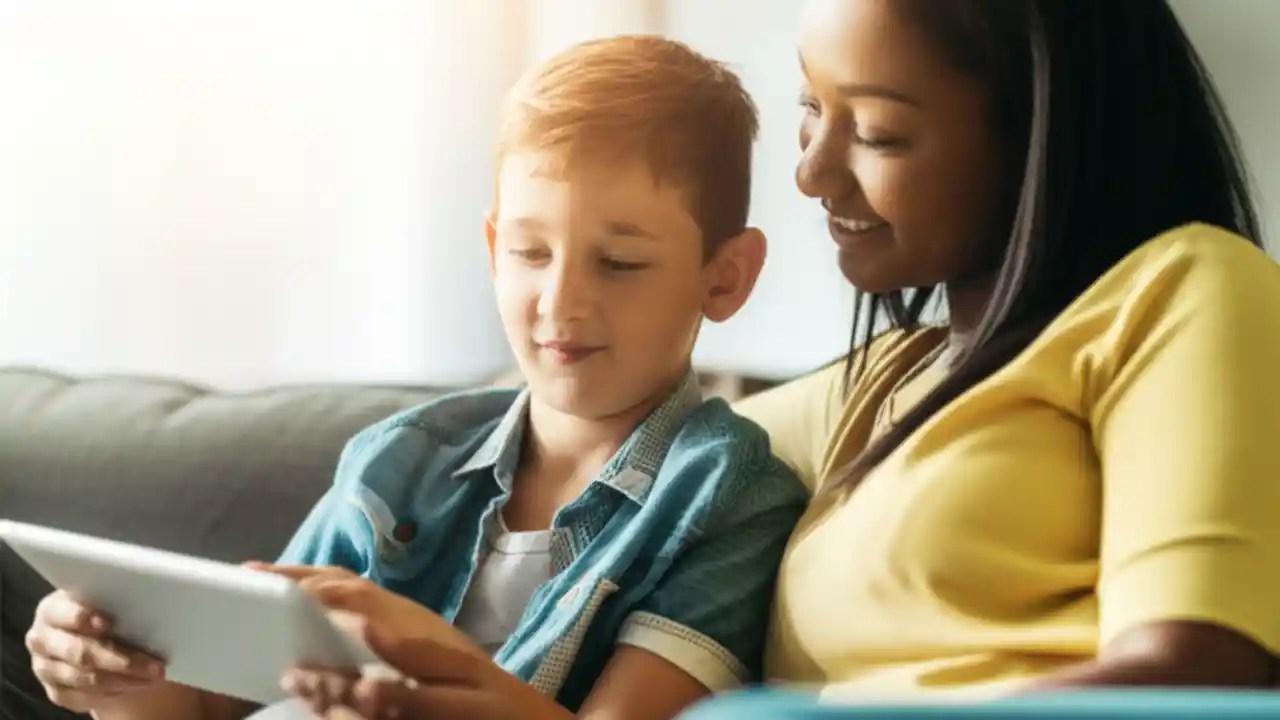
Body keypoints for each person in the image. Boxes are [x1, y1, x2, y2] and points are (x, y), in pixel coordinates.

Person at [259, 0, 1280, 716]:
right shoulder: (845, 401)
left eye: (875, 132)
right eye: (807, 111)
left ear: (1038, 133)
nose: (806, 172)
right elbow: (576, 431)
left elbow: (1199, 671)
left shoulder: (1182, 289)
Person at [24, 36, 807, 720]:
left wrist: (428, 656)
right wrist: (117, 673)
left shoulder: (727, 494)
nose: (561, 301)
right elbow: (210, 703)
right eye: (531, 253)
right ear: (493, 245)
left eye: (619, 262)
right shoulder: (398, 461)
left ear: (725, 277)